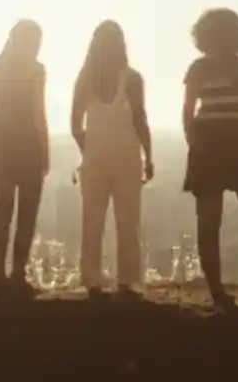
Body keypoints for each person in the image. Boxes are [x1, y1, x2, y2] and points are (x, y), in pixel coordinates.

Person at [182, 8, 238, 310]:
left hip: (206, 142)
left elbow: (187, 113)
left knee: (208, 223)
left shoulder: (197, 68)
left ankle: (218, 293)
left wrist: (194, 144)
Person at [71, 21, 154, 299]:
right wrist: (148, 155)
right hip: (127, 156)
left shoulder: (86, 79)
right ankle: (127, 282)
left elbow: (74, 124)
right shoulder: (131, 78)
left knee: (92, 221)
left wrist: (89, 150)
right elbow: (140, 119)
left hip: (97, 158)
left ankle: (93, 281)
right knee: (127, 221)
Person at [0, 19, 50, 297]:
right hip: (28, 147)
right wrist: (46, 151)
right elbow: (39, 113)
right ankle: (17, 275)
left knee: (2, 212)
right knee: (26, 214)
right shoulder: (36, 71)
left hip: (0, 145)